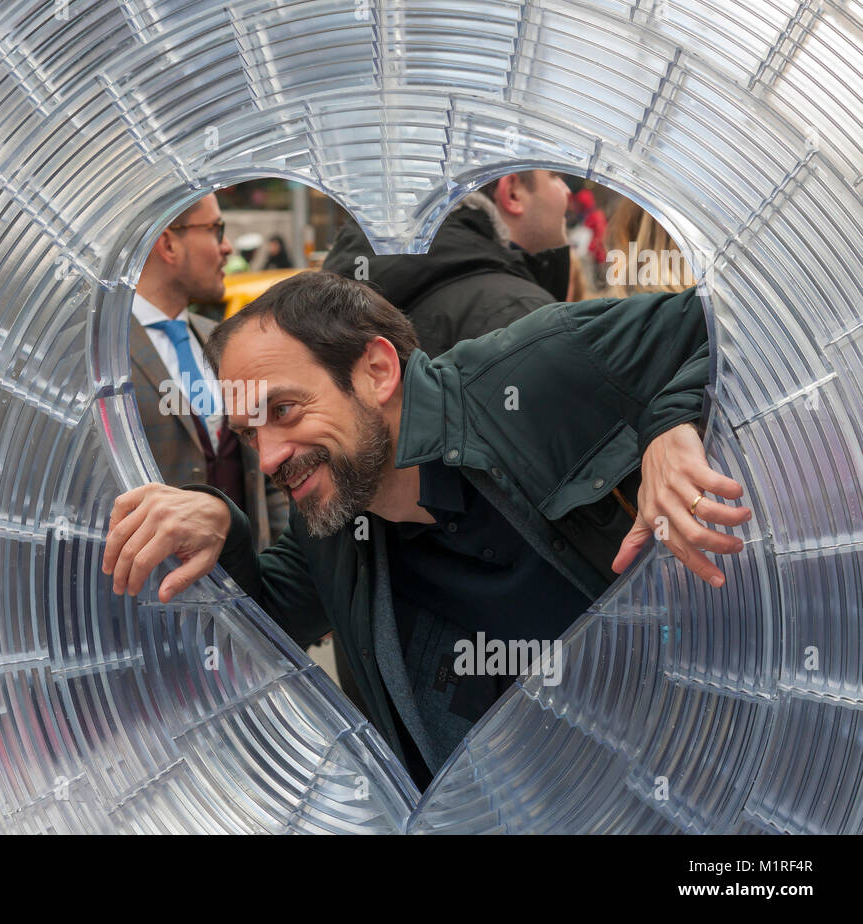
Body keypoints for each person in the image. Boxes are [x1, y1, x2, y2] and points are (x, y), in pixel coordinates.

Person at [104, 272, 750, 789]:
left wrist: (671, 426)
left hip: (706, 769)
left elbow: (739, 321)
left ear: (378, 371)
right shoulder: (330, 527)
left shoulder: (535, 370)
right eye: (250, 434)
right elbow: (269, 619)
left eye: (284, 410)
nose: (267, 457)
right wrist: (223, 524)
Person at [128, 193, 285, 550]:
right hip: (157, 593)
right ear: (168, 242)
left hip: (245, 590)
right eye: (217, 230)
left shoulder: (221, 340)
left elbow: (266, 473)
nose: (228, 248)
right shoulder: (99, 354)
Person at [324, 170, 572, 357]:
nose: (567, 190)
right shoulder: (521, 312)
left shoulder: (348, 285)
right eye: (555, 176)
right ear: (512, 191)